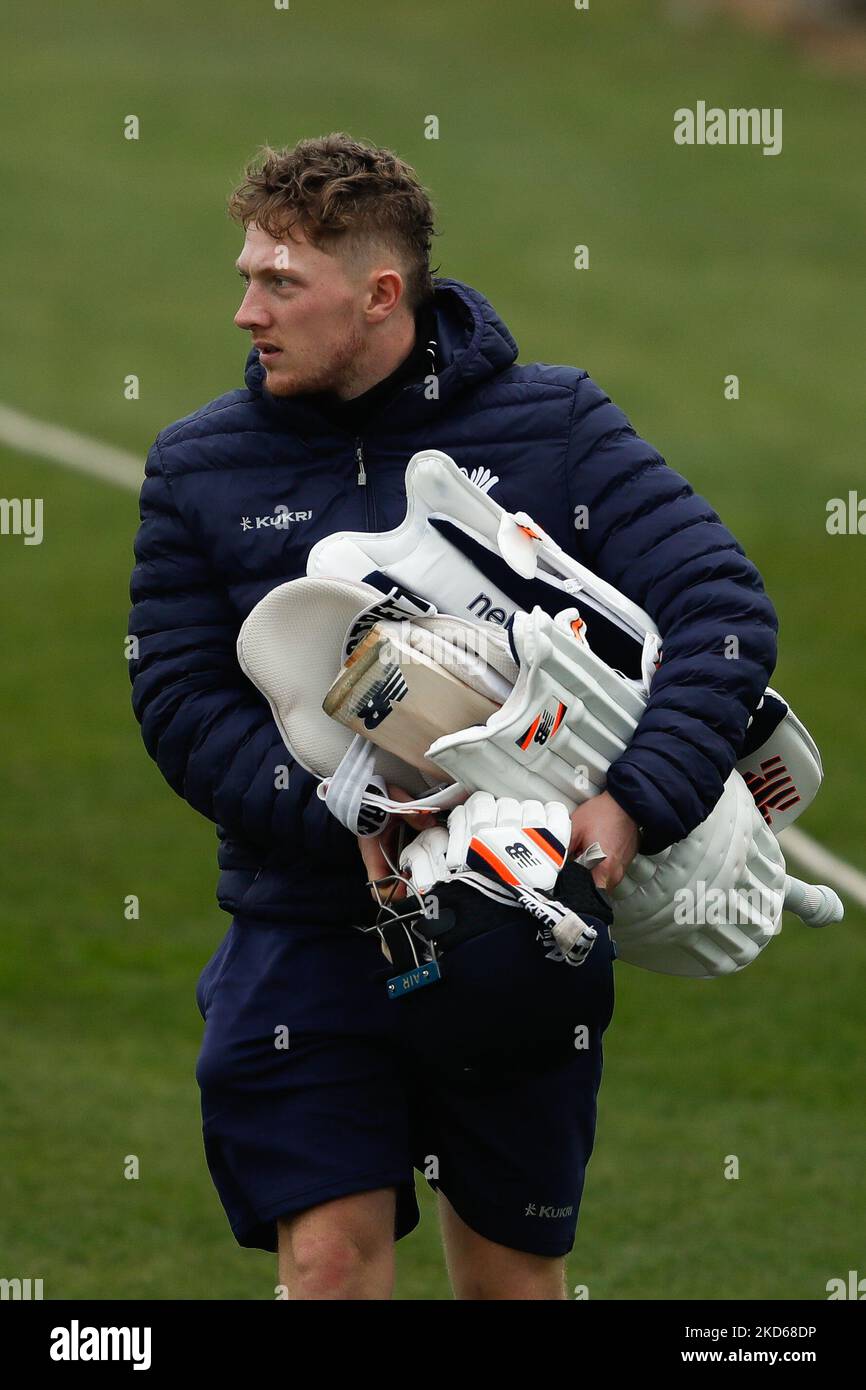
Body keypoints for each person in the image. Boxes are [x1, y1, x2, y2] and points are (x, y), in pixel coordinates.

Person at [128, 132, 778, 1300]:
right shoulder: (199, 467)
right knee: (326, 1268)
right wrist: (353, 812)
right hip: (305, 932)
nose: (245, 311)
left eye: (279, 284)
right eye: (246, 277)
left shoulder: (556, 428)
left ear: (380, 294)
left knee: (511, 1285)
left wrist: (632, 801)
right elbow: (177, 698)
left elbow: (718, 611)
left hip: (518, 926)